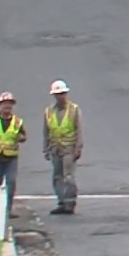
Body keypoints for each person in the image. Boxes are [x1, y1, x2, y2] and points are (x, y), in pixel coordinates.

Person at [43, 79, 83, 215]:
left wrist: (78, 148)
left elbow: (79, 130)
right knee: (57, 177)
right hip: (55, 148)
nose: (60, 97)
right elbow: (46, 131)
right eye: (58, 94)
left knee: (68, 177)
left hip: (69, 149)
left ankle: (70, 202)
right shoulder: (49, 111)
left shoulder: (74, 110)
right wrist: (45, 148)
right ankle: (61, 201)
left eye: (62, 94)